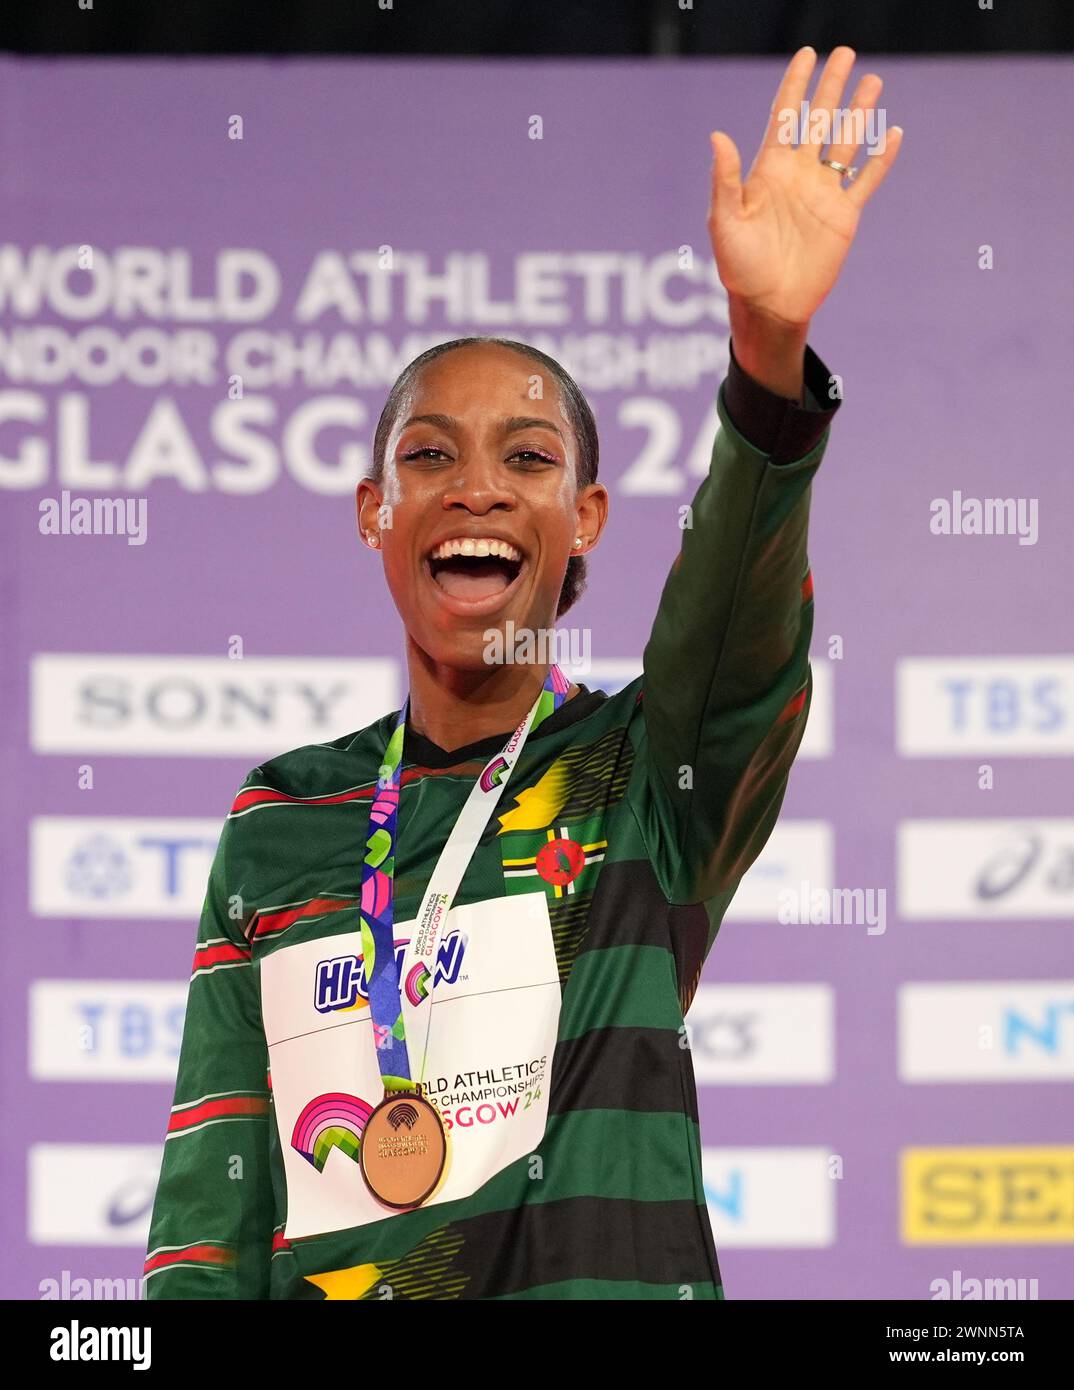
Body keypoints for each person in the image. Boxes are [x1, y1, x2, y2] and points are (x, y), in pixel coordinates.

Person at [144, 45, 901, 1299]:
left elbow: (734, 621)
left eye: (529, 458)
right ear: (374, 512)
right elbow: (208, 1216)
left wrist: (769, 355)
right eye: (430, 456)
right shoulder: (280, 820)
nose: (479, 486)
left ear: (588, 517)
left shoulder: (649, 777)